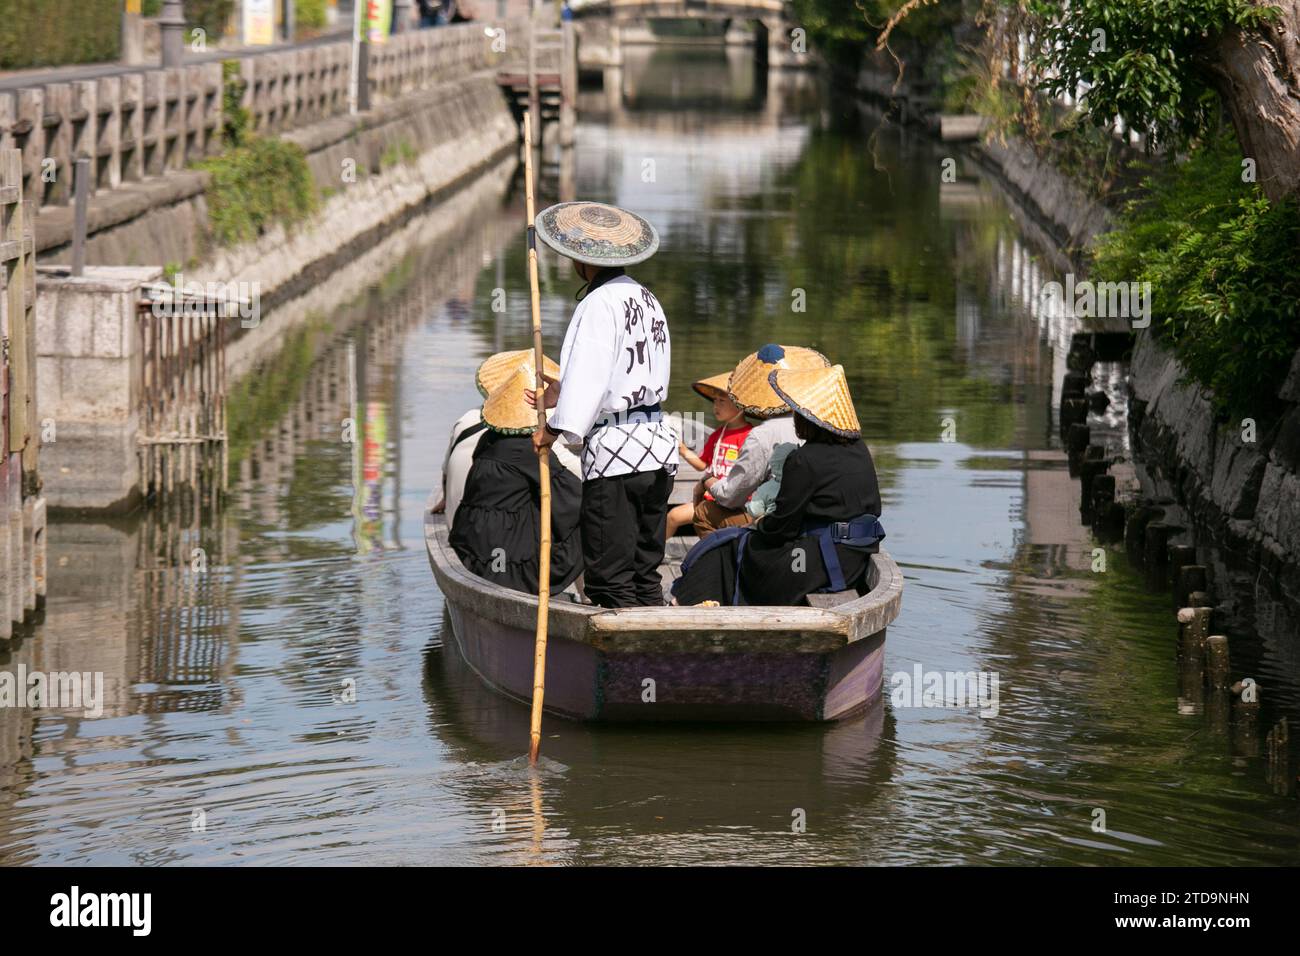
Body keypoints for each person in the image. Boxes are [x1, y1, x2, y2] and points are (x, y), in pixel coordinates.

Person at [527, 200, 677, 608]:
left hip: (619, 455)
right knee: (645, 569)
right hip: (658, 446)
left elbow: (592, 376)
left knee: (609, 573)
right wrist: (565, 389)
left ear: (581, 262)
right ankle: (656, 647)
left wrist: (553, 428)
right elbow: (628, 372)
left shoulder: (596, 304)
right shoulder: (647, 298)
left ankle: (628, 662)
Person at [672, 364, 884, 607]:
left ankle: (683, 605)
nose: (794, 416)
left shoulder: (804, 460)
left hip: (813, 562)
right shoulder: (858, 449)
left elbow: (780, 528)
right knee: (734, 543)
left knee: (726, 549)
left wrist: (756, 527)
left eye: (797, 411)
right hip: (853, 558)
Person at [450, 356, 584, 595]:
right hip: (509, 562)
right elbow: (574, 496)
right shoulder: (527, 448)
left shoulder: (487, 440)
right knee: (596, 514)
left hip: (475, 548)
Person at [693, 344, 830, 534]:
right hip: (815, 520)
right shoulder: (823, 421)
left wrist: (706, 481)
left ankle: (730, 562)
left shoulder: (762, 435)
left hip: (780, 523)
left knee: (704, 512)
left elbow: (731, 497)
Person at [430, 350, 578, 524]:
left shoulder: (465, 421)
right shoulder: (540, 447)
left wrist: (444, 501)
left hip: (463, 526)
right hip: (502, 539)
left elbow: (445, 479)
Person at [667, 372, 753, 538]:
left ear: (739, 404)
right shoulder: (717, 435)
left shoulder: (750, 436)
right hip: (710, 499)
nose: (715, 406)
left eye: (722, 401)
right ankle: (655, 556)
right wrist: (683, 450)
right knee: (673, 516)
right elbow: (703, 465)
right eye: (714, 401)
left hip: (736, 503)